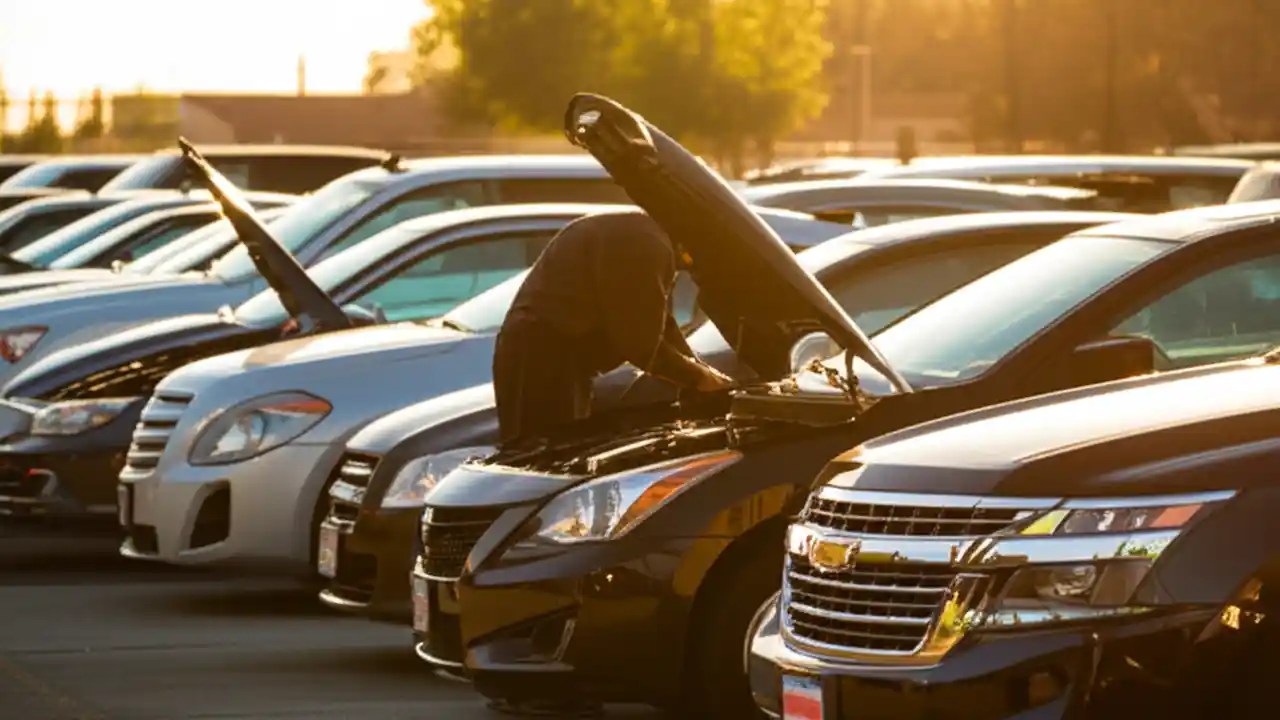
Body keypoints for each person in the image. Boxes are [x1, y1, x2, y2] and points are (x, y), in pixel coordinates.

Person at [493, 211, 733, 444]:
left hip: (552, 356)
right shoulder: (646, 245)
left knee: (558, 450)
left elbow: (661, 324)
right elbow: (640, 346)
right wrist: (698, 377)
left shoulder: (648, 237)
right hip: (541, 359)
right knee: (543, 458)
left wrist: (702, 373)